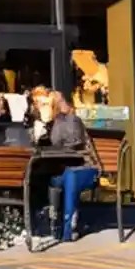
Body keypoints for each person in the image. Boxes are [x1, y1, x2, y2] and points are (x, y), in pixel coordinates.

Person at [46, 91, 98, 241]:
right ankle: (53, 225)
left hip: (85, 169)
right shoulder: (56, 121)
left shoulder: (72, 120)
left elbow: (71, 142)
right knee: (51, 177)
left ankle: (68, 229)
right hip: (64, 168)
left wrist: (57, 119)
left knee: (70, 176)